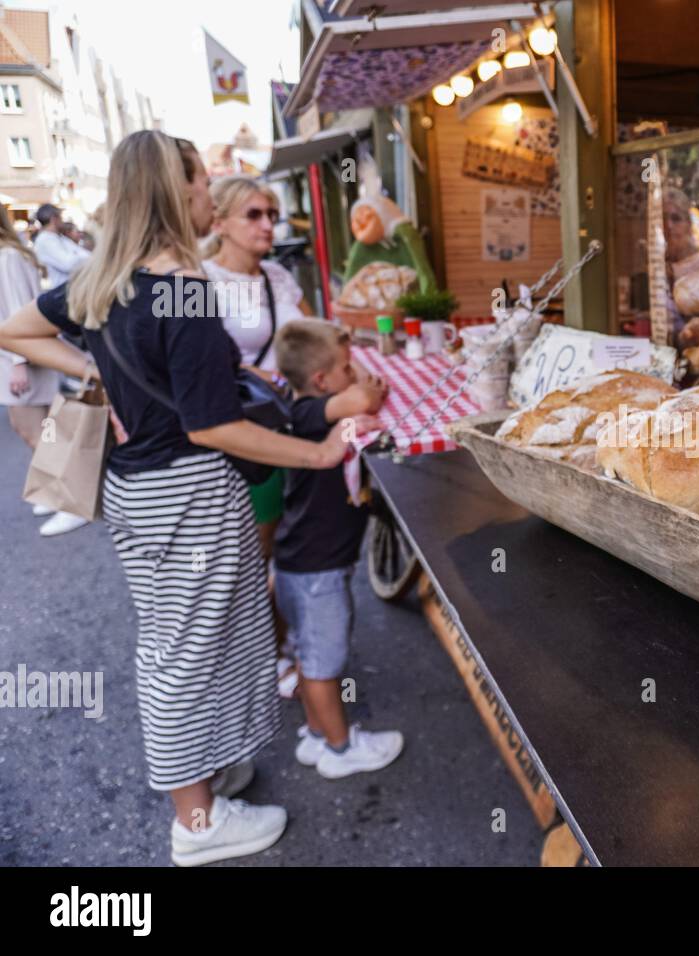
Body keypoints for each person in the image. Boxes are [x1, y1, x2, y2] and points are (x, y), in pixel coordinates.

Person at [0, 130, 367, 866]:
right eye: (201, 183)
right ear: (177, 190)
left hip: (138, 490)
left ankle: (206, 777)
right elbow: (213, 427)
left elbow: (16, 329)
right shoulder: (183, 287)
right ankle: (195, 822)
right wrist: (320, 452)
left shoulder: (109, 276)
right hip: (186, 494)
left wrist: (99, 366)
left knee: (189, 644)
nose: (209, 193)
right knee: (183, 654)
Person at [271, 318, 404, 779]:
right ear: (323, 381)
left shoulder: (302, 408)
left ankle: (315, 733)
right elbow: (362, 402)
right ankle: (341, 749)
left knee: (311, 655)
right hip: (317, 570)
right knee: (324, 663)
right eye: (348, 368)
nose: (355, 374)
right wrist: (358, 401)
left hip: (296, 563)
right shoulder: (312, 417)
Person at [202, 175, 311, 696]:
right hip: (247, 438)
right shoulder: (198, 283)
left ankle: (295, 643)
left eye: (271, 213)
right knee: (259, 553)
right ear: (218, 221)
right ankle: (274, 652)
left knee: (299, 544)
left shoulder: (277, 276)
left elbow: (312, 341)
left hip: (296, 423)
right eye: (253, 215)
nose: (268, 224)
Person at [1, 203, 76, 534]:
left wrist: (19, 363)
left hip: (19, 358)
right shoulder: (10, 254)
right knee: (40, 429)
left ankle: (71, 501)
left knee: (38, 431)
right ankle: (55, 492)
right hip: (16, 356)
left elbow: (19, 310)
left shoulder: (7, 257)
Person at [32, 203, 90, 288]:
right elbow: (69, 264)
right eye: (60, 217)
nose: (62, 220)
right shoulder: (45, 240)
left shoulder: (58, 237)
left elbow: (83, 254)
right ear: (54, 219)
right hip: (62, 293)